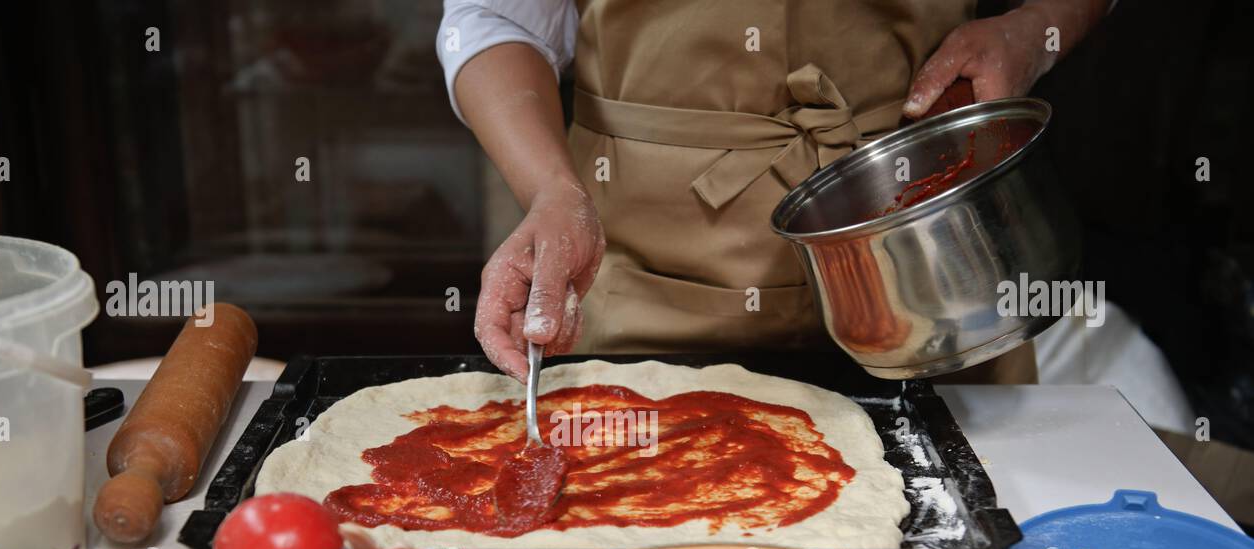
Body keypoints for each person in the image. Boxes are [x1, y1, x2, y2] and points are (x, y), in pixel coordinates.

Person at [438, 0, 1112, 383]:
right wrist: (554, 192)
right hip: (642, 286)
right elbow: (497, 18)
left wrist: (1036, 30)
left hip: (927, 269)